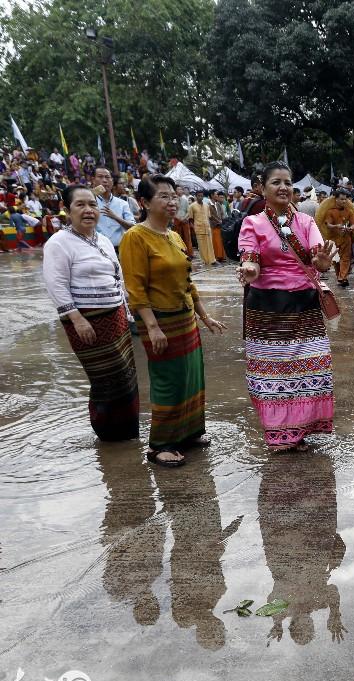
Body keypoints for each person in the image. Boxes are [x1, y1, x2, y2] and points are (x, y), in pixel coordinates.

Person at [120, 175, 227, 467]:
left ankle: (190, 432)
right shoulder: (135, 237)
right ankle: (161, 445)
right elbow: (135, 289)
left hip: (184, 318)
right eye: (163, 196)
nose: (171, 202)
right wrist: (151, 327)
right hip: (159, 320)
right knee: (168, 381)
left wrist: (204, 315)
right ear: (144, 202)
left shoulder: (175, 235)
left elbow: (187, 282)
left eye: (173, 196)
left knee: (191, 376)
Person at [238, 162, 337, 452]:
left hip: (304, 306)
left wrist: (321, 264)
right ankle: (279, 436)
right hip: (267, 308)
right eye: (276, 182)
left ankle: (300, 429)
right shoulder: (252, 223)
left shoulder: (306, 223)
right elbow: (250, 259)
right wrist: (249, 270)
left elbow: (318, 258)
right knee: (273, 373)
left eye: (288, 183)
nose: (283, 188)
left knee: (311, 369)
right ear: (262, 188)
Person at [42, 184, 139, 441]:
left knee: (126, 375)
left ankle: (128, 431)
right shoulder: (58, 243)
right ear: (67, 210)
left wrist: (127, 311)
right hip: (86, 321)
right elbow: (56, 285)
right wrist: (77, 319)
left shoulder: (104, 240)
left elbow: (118, 277)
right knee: (105, 378)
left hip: (116, 318)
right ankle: (107, 432)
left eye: (92, 205)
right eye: (80, 205)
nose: (88, 210)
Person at [316, 188, 354, 287]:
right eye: (342, 199)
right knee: (335, 260)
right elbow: (328, 224)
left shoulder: (349, 211)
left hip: (346, 238)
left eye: (345, 199)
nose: (344, 201)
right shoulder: (330, 211)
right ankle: (339, 276)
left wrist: (350, 228)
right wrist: (336, 226)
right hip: (333, 238)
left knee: (345, 258)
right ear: (336, 199)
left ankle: (343, 277)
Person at [92, 167, 134, 252]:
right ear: (93, 180)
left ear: (112, 181)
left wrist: (116, 217)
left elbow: (133, 227)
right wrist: (91, 195)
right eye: (100, 177)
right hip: (98, 250)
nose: (104, 180)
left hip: (121, 250)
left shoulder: (122, 204)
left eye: (107, 177)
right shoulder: (90, 203)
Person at [189, 190, 217, 266]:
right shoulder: (192, 206)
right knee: (201, 246)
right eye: (199, 196)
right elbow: (190, 219)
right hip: (198, 228)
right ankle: (205, 261)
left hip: (207, 228)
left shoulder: (206, 206)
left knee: (210, 245)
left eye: (202, 196)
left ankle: (212, 260)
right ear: (196, 196)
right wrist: (193, 228)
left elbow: (209, 217)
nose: (200, 197)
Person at [172, 185, 194, 257]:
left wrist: (185, 218)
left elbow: (188, 211)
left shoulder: (185, 200)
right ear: (175, 191)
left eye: (181, 189)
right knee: (178, 237)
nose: (180, 191)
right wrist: (178, 218)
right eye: (178, 189)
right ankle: (179, 252)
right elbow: (173, 211)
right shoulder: (173, 200)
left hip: (185, 220)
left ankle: (189, 253)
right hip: (177, 220)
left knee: (187, 237)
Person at [208, 190, 227, 262]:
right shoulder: (209, 205)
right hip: (214, 225)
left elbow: (222, 213)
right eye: (216, 194)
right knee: (215, 241)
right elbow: (211, 216)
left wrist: (222, 220)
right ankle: (217, 256)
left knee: (220, 241)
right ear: (212, 195)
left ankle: (221, 256)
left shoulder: (218, 204)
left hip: (221, 225)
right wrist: (218, 221)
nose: (217, 196)